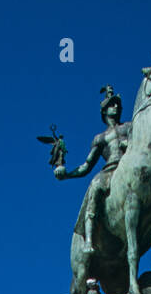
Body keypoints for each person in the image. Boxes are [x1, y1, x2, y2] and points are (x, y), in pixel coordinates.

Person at [55, 85, 132, 252]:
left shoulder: (129, 127)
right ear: (104, 111)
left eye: (118, 104)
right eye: (112, 104)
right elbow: (86, 166)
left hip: (130, 166)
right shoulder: (100, 138)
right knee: (95, 187)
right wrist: (66, 174)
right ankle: (89, 239)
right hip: (110, 170)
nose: (117, 107)